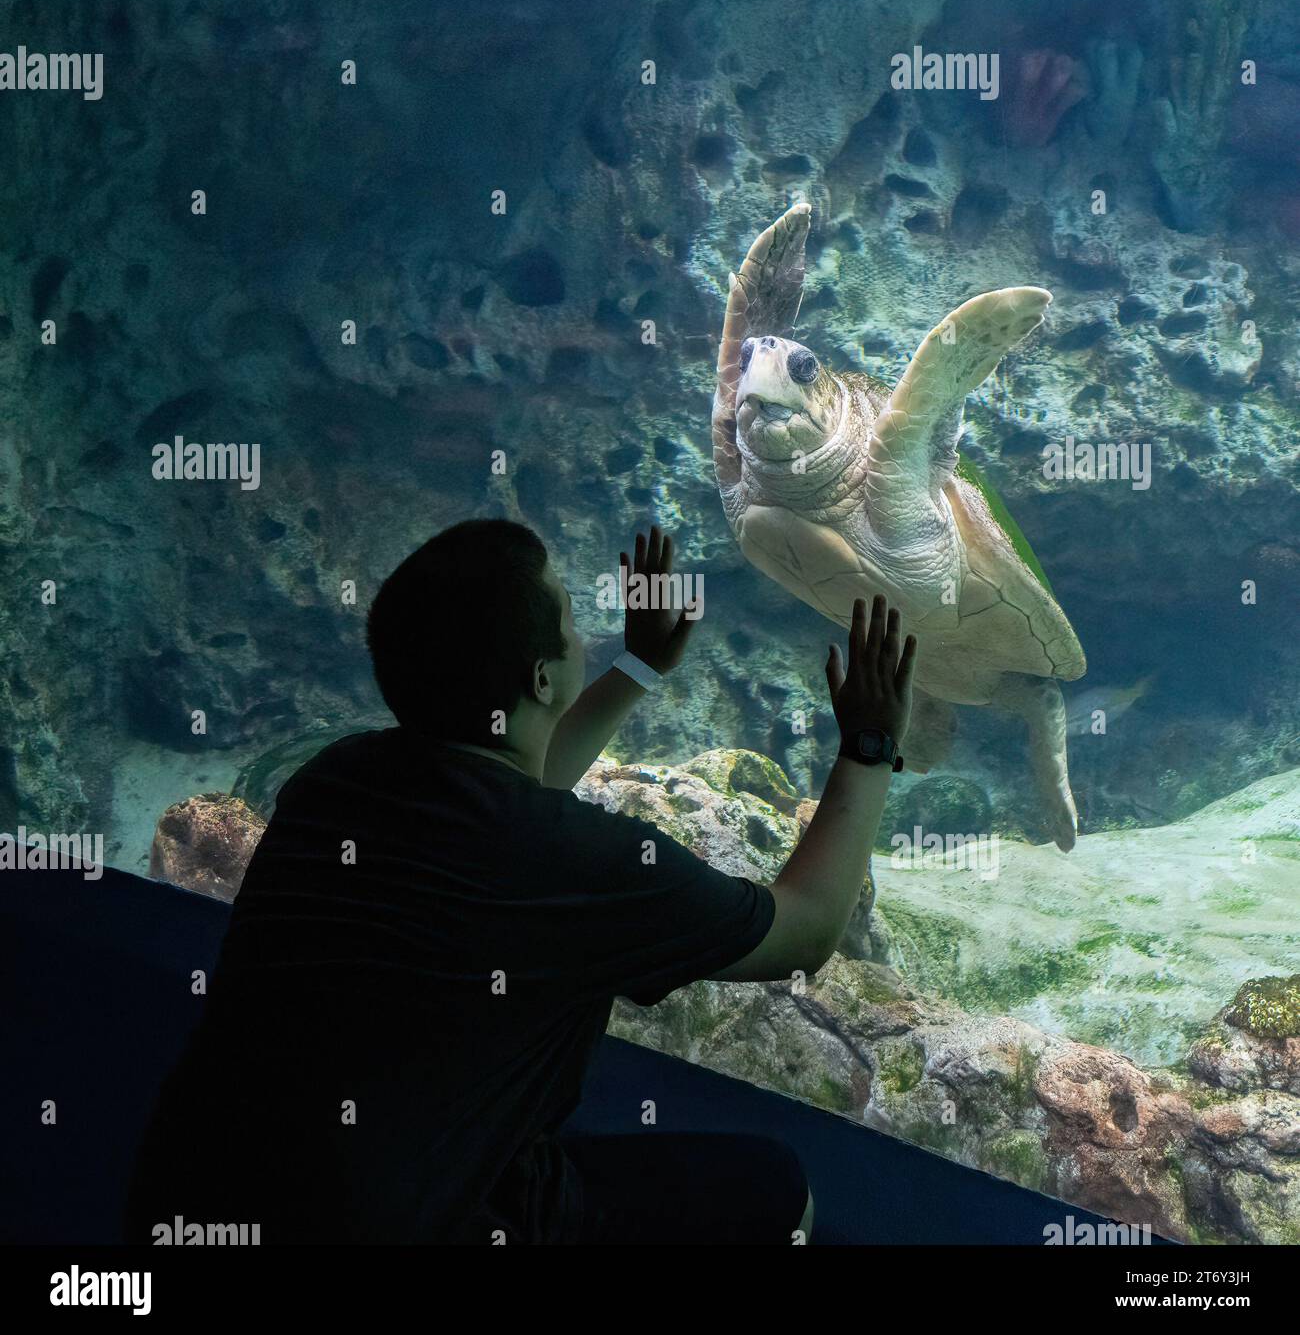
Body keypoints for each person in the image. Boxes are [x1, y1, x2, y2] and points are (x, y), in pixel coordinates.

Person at [125, 519, 915, 1245]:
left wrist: (636, 666)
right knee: (776, 1189)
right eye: (571, 620)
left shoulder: (334, 778)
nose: (581, 633)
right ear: (542, 679)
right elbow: (806, 929)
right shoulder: (583, 862)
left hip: (179, 1200)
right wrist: (870, 743)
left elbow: (509, 791)